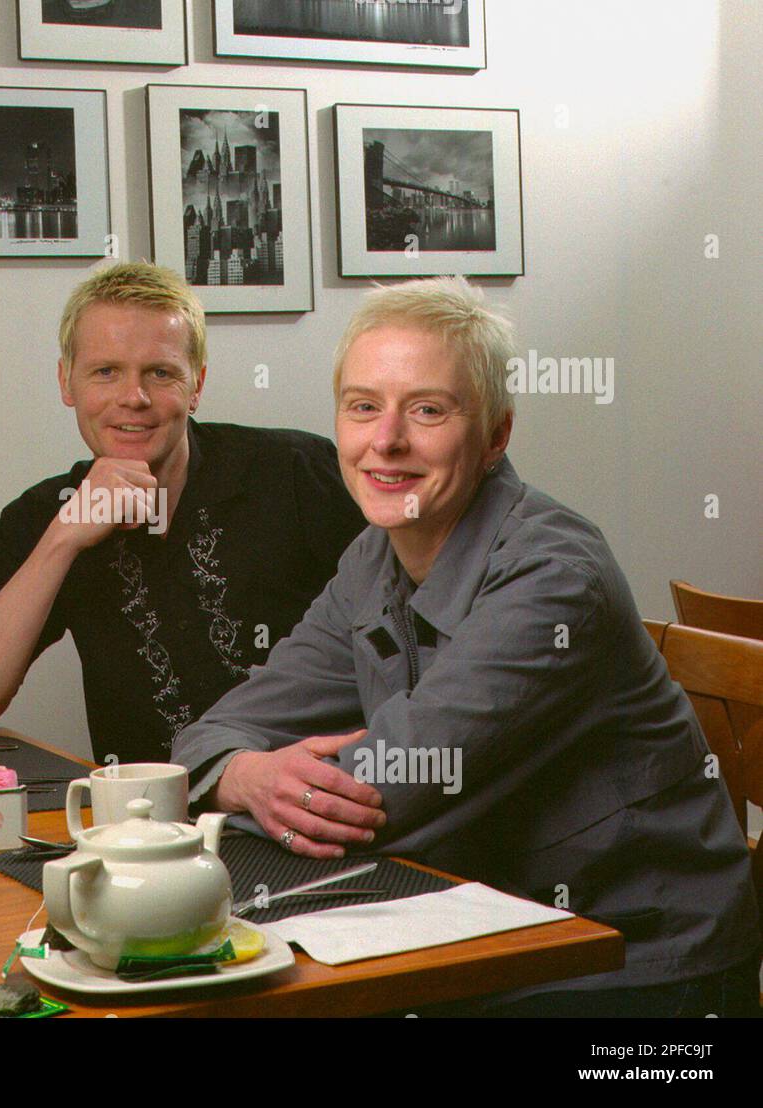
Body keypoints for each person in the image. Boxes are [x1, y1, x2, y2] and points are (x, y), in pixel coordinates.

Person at [172, 276, 760, 1015]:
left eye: (427, 410)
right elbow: (208, 733)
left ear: (495, 435)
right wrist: (245, 774)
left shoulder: (555, 576)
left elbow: (385, 795)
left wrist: (241, 785)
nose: (386, 439)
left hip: (632, 969)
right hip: (486, 933)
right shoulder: (371, 558)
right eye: (363, 407)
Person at [0, 262, 365, 764]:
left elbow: (408, 647)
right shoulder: (41, 516)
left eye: (160, 374)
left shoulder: (296, 472)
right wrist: (65, 538)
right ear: (66, 382)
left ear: (197, 385)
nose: (133, 398)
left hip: (319, 795)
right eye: (106, 372)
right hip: (147, 824)